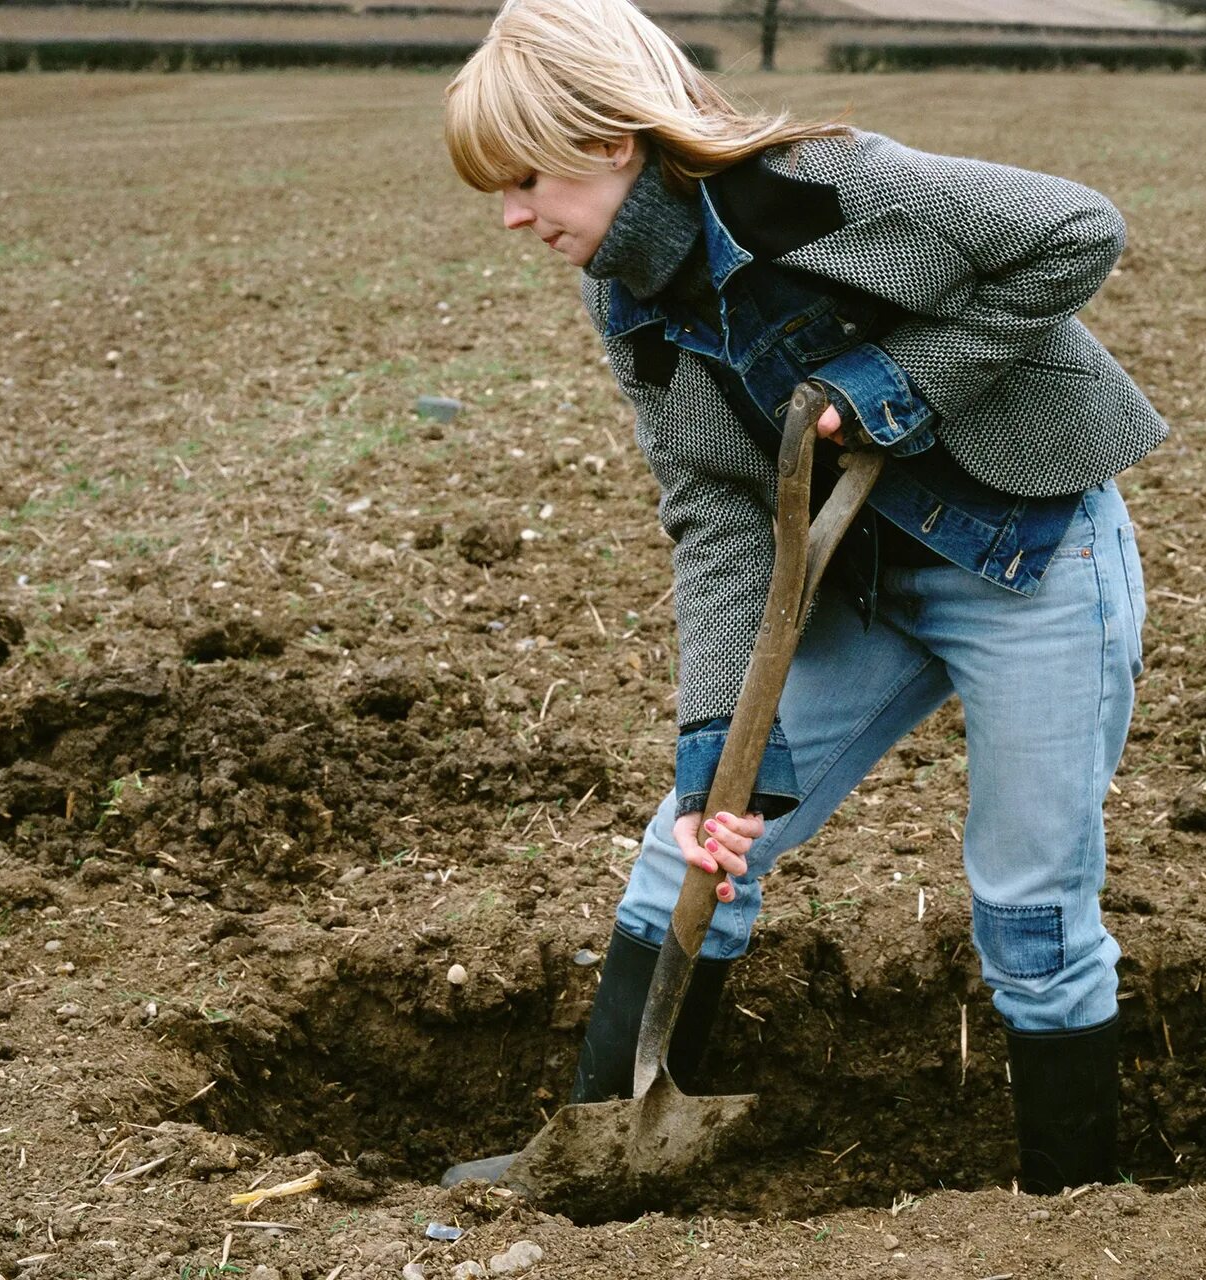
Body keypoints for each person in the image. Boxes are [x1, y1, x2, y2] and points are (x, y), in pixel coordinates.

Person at [440, 0, 1166, 1195]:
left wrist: (887, 383)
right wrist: (713, 758)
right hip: (856, 581)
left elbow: (1078, 229)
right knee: (692, 855)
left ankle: (1072, 1204)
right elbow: (718, 516)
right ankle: (596, 1159)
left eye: (525, 180)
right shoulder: (627, 297)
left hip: (1031, 556)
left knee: (1030, 907)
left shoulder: (830, 186)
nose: (515, 216)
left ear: (612, 141)